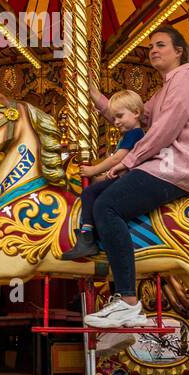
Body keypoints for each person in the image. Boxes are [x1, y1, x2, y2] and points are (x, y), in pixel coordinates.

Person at [74, 27, 189, 330]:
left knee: (107, 205)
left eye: (161, 45)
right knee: (99, 196)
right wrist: (95, 97)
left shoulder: (186, 81)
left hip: (178, 169)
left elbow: (162, 131)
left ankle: (127, 300)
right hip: (165, 166)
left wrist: (127, 161)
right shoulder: (164, 89)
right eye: (151, 46)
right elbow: (134, 116)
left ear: (179, 51)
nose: (153, 50)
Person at [64, 89, 146, 258]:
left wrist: (93, 170)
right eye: (114, 118)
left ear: (136, 113)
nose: (116, 122)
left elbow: (117, 159)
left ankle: (87, 236)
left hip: (129, 180)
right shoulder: (130, 135)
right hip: (125, 177)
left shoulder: (135, 134)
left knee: (89, 193)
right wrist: (100, 178)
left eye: (120, 116)